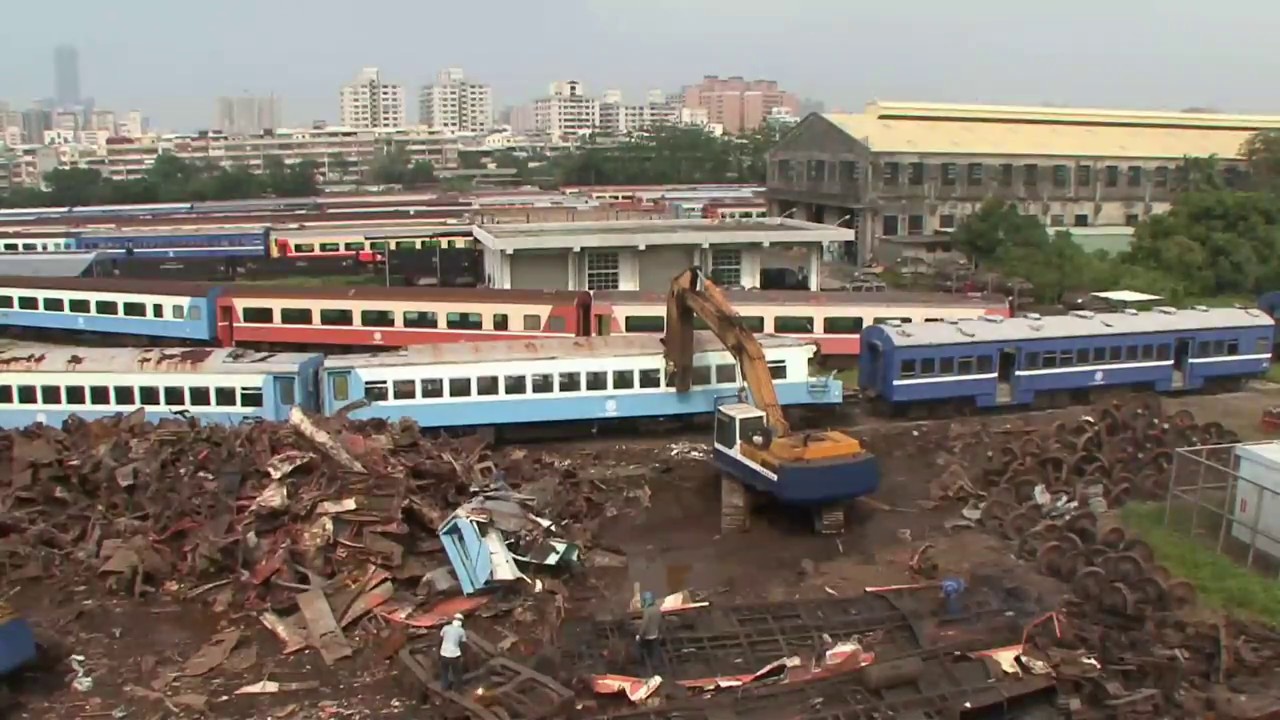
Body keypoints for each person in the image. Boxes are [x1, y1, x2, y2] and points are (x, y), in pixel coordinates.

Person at [635, 591, 663, 672]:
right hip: (656, 635)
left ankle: (642, 666)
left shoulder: (647, 610)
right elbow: (660, 623)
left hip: (648, 636)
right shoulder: (658, 609)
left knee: (640, 648)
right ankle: (657, 667)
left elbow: (645, 624)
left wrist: (639, 634)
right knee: (655, 651)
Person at [439, 614, 467, 691]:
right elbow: (462, 644)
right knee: (457, 674)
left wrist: (439, 652)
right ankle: (457, 689)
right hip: (454, 656)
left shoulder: (445, 628)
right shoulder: (461, 631)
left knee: (444, 672)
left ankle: (444, 687)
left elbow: (440, 640)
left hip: (443, 654)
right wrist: (463, 655)